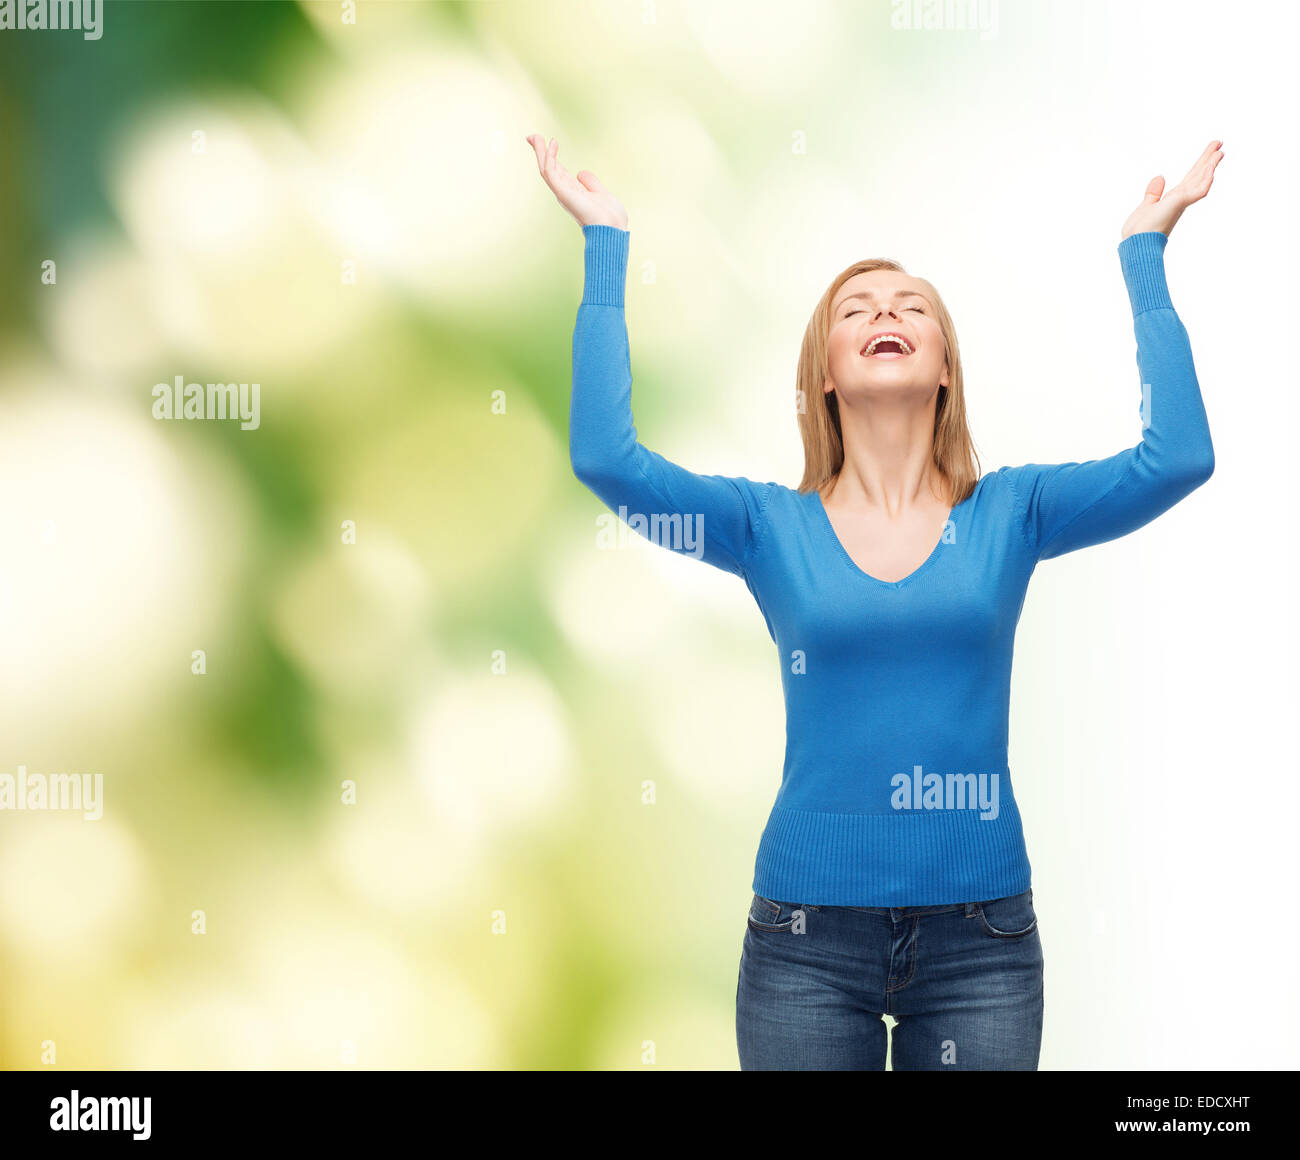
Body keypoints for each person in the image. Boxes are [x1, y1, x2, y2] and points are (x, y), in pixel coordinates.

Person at [528, 133, 1221, 1070]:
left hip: (982, 947)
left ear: (943, 368)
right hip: (805, 945)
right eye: (856, 309)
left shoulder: (1012, 512)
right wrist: (605, 243)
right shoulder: (763, 526)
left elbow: (1177, 456)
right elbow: (608, 459)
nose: (884, 312)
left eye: (911, 309)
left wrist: (1145, 254)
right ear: (826, 372)